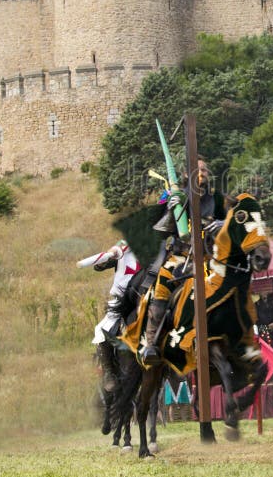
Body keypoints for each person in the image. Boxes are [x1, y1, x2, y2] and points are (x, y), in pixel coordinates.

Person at [140, 157, 223, 366]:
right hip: (182, 257)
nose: (201, 173)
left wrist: (222, 223)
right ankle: (151, 343)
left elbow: (234, 223)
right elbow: (158, 230)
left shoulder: (217, 199)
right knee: (162, 283)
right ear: (186, 174)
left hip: (210, 258)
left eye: (204, 169)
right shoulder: (175, 196)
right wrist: (171, 209)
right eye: (197, 169)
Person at [90, 240, 141, 392]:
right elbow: (98, 265)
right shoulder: (122, 249)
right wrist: (109, 257)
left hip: (146, 300)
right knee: (103, 330)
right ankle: (109, 372)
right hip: (122, 302)